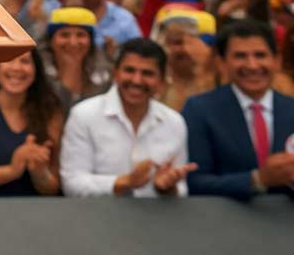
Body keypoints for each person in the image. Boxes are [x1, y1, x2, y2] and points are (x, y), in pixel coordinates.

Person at [182, 20, 294, 203]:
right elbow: (194, 181)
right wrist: (257, 179)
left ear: (276, 61)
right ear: (222, 63)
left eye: (260, 55)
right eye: (240, 56)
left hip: (288, 226)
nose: (252, 65)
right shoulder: (199, 110)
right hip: (223, 226)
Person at [61, 39, 195, 197]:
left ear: (161, 81)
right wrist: (124, 182)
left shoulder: (174, 122)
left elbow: (181, 188)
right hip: (97, 217)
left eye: (147, 73)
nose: (136, 80)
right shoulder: (84, 115)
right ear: (115, 73)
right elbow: (72, 183)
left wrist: (166, 187)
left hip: (154, 218)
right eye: (129, 70)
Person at [0, 50, 62, 196]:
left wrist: (40, 173)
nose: (16, 68)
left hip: (36, 209)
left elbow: (53, 187)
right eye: (9, 60)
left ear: (36, 69)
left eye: (25, 61)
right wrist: (13, 170)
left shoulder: (50, 110)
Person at [40, 7, 111, 112]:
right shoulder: (38, 75)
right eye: (64, 35)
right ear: (51, 41)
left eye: (80, 35)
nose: (73, 43)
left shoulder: (104, 80)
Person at [150, 6, 218, 112]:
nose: (183, 49)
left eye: (189, 41)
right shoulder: (155, 76)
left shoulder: (213, 73)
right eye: (176, 42)